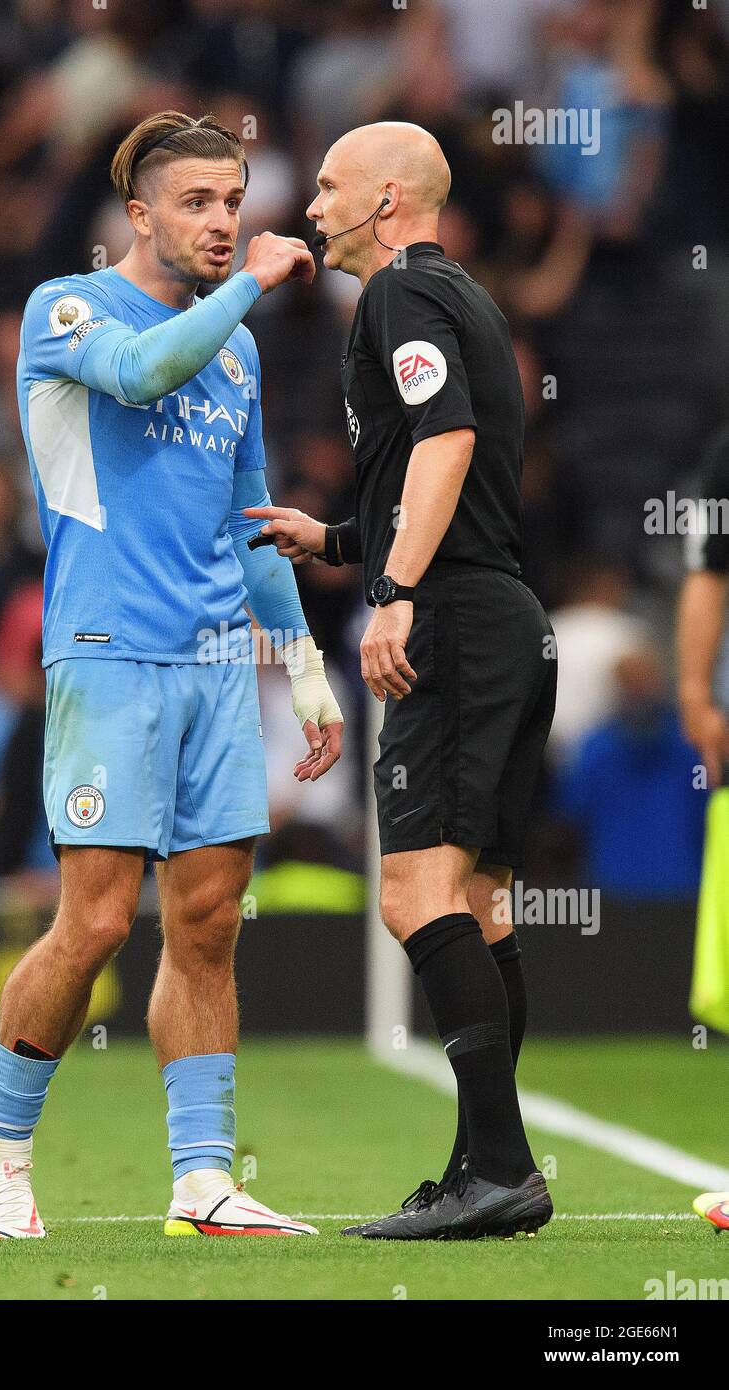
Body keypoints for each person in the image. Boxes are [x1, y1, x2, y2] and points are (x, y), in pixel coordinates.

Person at [0, 111, 344, 1241]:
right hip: (108, 653)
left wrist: (305, 669)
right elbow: (136, 373)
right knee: (91, 924)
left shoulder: (236, 345)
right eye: (196, 203)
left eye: (232, 202)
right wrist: (255, 288)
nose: (223, 222)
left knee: (210, 921)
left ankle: (201, 1180)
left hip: (221, 662)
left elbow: (249, 515)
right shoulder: (67, 309)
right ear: (138, 215)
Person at [247, 121, 556, 1240]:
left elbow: (446, 440)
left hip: (456, 623)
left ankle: (502, 1170)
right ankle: (482, 1164)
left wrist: (391, 589)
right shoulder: (462, 297)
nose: (310, 203)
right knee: (476, 904)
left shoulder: (396, 297)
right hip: (504, 616)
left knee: (412, 895)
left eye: (327, 186)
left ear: (386, 199)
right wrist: (335, 536)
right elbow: (434, 464)